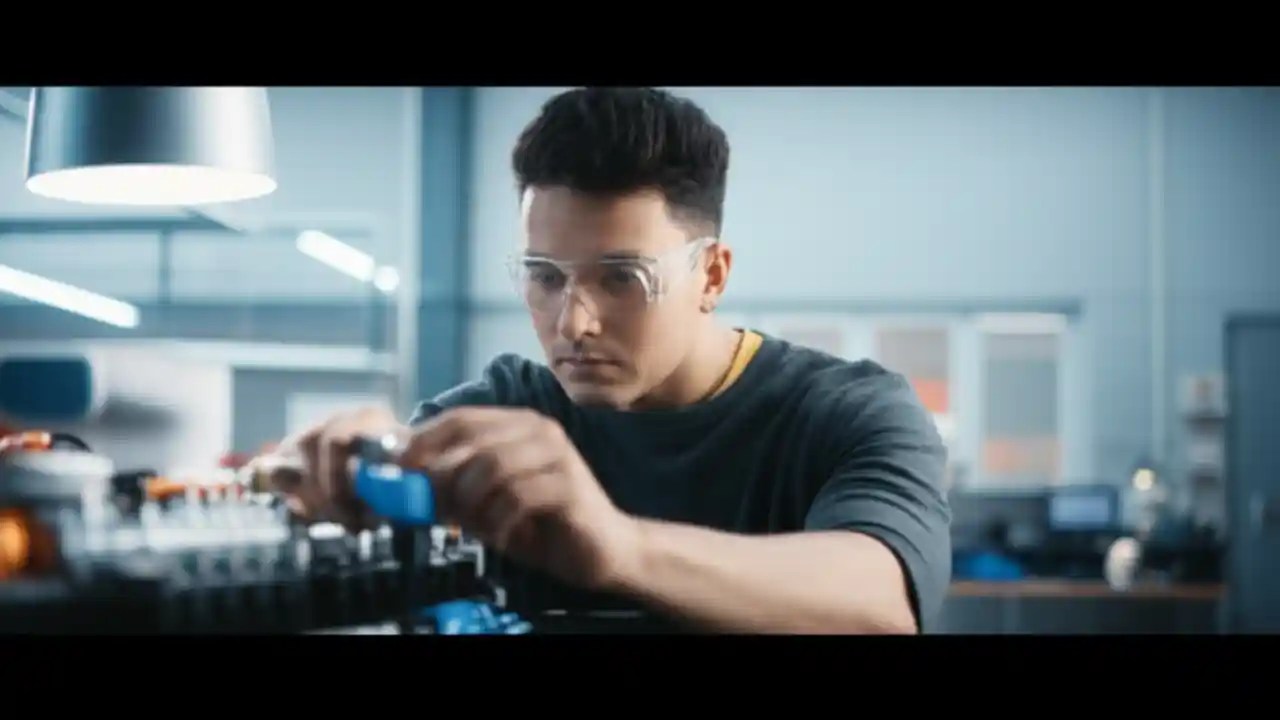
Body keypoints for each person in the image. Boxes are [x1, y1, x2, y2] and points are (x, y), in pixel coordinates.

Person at [260, 87, 952, 634]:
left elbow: (880, 602)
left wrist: (620, 550)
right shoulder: (501, 414)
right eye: (545, 275)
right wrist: (321, 493)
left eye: (622, 277)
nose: (573, 322)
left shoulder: (848, 415)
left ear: (711, 276)